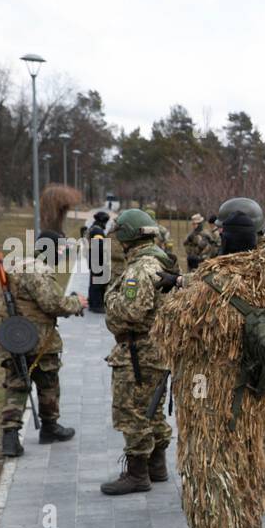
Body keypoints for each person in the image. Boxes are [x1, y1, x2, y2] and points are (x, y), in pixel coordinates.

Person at [151, 210, 265, 528]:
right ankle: (244, 526)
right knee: (246, 457)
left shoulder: (213, 281)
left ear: (225, 237)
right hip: (251, 392)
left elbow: (169, 332)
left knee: (208, 467)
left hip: (210, 394)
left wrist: (170, 297)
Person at [214, 196, 265, 513]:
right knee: (254, 414)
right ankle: (253, 474)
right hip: (252, 345)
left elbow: (261, 302)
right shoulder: (257, 252)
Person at [100, 209, 179, 495]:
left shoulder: (139, 269)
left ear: (127, 237)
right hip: (156, 351)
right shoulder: (161, 261)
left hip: (138, 352)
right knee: (152, 410)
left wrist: (110, 299)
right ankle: (157, 467)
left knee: (131, 411)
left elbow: (131, 311)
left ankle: (137, 475)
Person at [0, 231, 86, 457]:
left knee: (16, 385)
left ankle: (10, 437)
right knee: (48, 383)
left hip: (15, 337)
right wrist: (77, 302)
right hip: (38, 339)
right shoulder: (38, 270)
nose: (63, 256)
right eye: (62, 251)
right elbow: (53, 304)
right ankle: (49, 427)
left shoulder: (19, 265)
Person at [86, 210, 111, 313]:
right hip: (97, 260)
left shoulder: (93, 228)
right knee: (97, 283)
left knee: (94, 281)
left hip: (93, 259)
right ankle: (96, 305)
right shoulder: (98, 231)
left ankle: (92, 302)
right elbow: (99, 247)